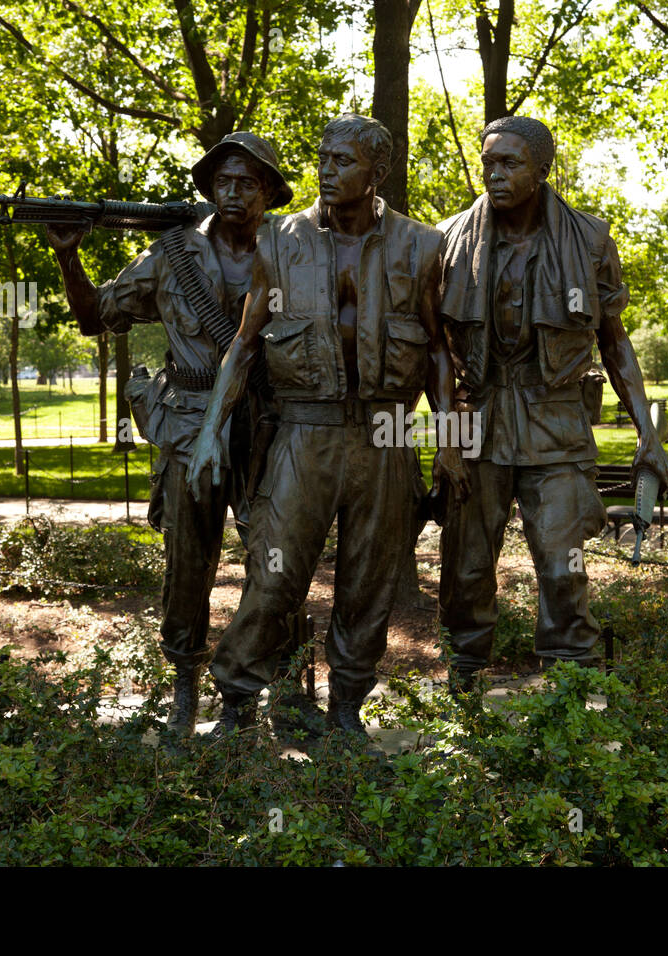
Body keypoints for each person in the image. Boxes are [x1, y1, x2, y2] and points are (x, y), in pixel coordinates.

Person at [185, 114, 469, 745]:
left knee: (368, 585)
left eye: (343, 160)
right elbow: (244, 346)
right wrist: (209, 432)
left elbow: (438, 350)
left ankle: (345, 713)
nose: (327, 170)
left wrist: (449, 438)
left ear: (378, 172)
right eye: (323, 157)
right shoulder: (279, 239)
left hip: (386, 434)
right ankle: (235, 708)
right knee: (274, 577)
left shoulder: (421, 245)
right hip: (302, 434)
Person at [46, 131, 293, 737]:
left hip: (271, 424)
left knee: (278, 562)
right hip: (188, 427)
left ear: (268, 191)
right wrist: (68, 258)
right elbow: (94, 317)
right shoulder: (172, 253)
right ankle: (185, 688)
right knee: (187, 566)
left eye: (247, 183)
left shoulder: (295, 250)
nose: (233, 192)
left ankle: (273, 690)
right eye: (222, 182)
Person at [436, 115, 668, 693]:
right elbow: (431, 348)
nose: (494, 174)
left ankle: (571, 695)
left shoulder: (589, 239)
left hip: (556, 419)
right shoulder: (447, 239)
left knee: (564, 565)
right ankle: (462, 693)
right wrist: (444, 433)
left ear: (541, 171)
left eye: (509, 163)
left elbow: (614, 341)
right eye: (488, 162)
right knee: (466, 568)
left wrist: (647, 433)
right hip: (475, 420)